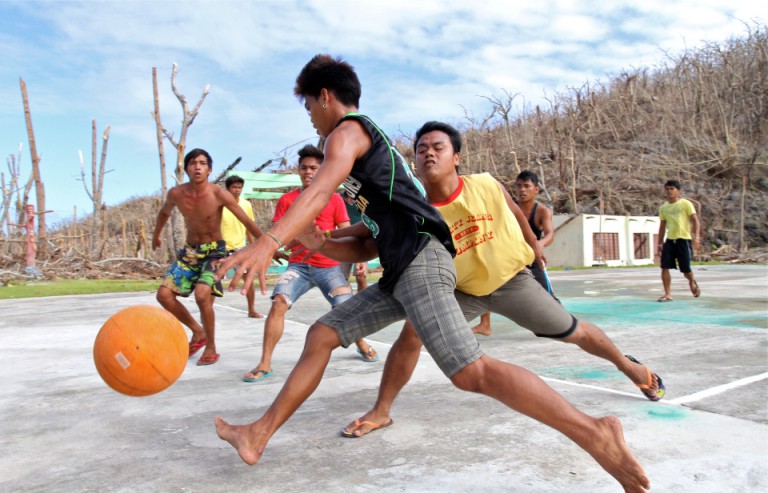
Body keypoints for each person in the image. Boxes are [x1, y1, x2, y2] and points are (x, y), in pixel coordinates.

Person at [213, 54, 650, 492]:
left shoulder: (346, 133)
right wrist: (321, 243)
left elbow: (323, 186)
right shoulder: (370, 158)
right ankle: (258, 434)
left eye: (307, 105)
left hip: (422, 262)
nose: (309, 118)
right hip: (402, 267)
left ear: (325, 96)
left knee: (469, 372)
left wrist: (267, 242)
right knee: (323, 334)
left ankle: (596, 433)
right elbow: (371, 241)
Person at [339, 121, 665, 444]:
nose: (429, 154)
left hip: (513, 282)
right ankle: (382, 410)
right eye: (421, 150)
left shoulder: (485, 184)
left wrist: (534, 243)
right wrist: (323, 235)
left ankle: (629, 367)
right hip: (463, 291)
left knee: (573, 331)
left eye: (438, 148)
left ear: (456, 157)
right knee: (412, 332)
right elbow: (366, 229)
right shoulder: (412, 206)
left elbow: (515, 212)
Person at [241, 144, 378, 384]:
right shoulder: (287, 200)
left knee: (347, 307)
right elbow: (278, 233)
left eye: (314, 168)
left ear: (322, 170)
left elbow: (346, 231)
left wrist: (358, 259)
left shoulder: (334, 199)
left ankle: (360, 341)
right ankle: (265, 362)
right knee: (278, 303)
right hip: (298, 268)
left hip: (330, 267)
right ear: (298, 170)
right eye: (304, 167)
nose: (308, 172)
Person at [152, 148, 264, 366]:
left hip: (215, 251)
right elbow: (164, 213)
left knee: (203, 295)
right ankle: (197, 332)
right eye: (193, 163)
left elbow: (246, 221)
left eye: (202, 163)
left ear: (210, 169)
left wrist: (267, 244)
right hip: (191, 251)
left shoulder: (219, 194)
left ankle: (211, 346)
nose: (197, 167)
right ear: (186, 169)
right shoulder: (176, 194)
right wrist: (155, 236)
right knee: (164, 295)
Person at [472, 169, 558, 336]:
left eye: (527, 186)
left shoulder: (542, 211)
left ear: (536, 190)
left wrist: (539, 245)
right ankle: (485, 324)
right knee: (485, 280)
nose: (522, 190)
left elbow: (550, 234)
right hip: (511, 257)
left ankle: (560, 323)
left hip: (532, 258)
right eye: (519, 186)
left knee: (549, 300)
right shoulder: (509, 208)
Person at [221, 175, 263, 319]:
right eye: (234, 187)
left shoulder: (246, 205)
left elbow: (248, 225)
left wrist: (252, 245)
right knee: (211, 280)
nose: (237, 190)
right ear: (227, 189)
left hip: (240, 248)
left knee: (248, 279)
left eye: (239, 187)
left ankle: (251, 309)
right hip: (221, 247)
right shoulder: (221, 205)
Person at [656, 179, 701, 302]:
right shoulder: (663, 207)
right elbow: (662, 226)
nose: (669, 191)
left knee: (685, 269)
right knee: (664, 266)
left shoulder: (685, 204)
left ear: (678, 191)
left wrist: (696, 237)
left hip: (684, 240)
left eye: (672, 189)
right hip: (670, 240)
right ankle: (668, 294)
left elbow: (695, 220)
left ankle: (692, 282)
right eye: (667, 189)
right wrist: (659, 243)